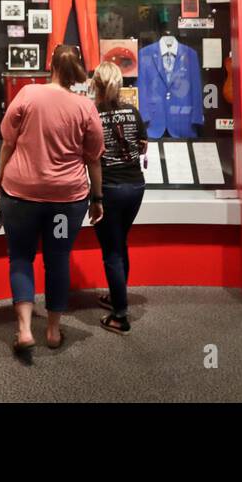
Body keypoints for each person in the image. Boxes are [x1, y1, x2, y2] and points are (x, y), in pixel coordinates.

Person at [0, 45, 104, 355]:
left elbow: (7, 144)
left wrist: (0, 181)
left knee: (21, 258)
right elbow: (93, 158)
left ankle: (25, 329)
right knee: (57, 260)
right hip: (65, 203)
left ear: (49, 65)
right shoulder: (84, 106)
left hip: (21, 196)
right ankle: (53, 330)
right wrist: (97, 198)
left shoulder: (28, 95)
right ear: (77, 68)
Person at [90, 61, 147, 334]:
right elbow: (143, 144)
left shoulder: (93, 114)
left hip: (110, 189)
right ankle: (116, 296)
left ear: (96, 85)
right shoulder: (132, 111)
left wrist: (96, 198)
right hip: (136, 186)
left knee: (111, 251)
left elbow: (91, 157)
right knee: (120, 243)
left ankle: (120, 316)